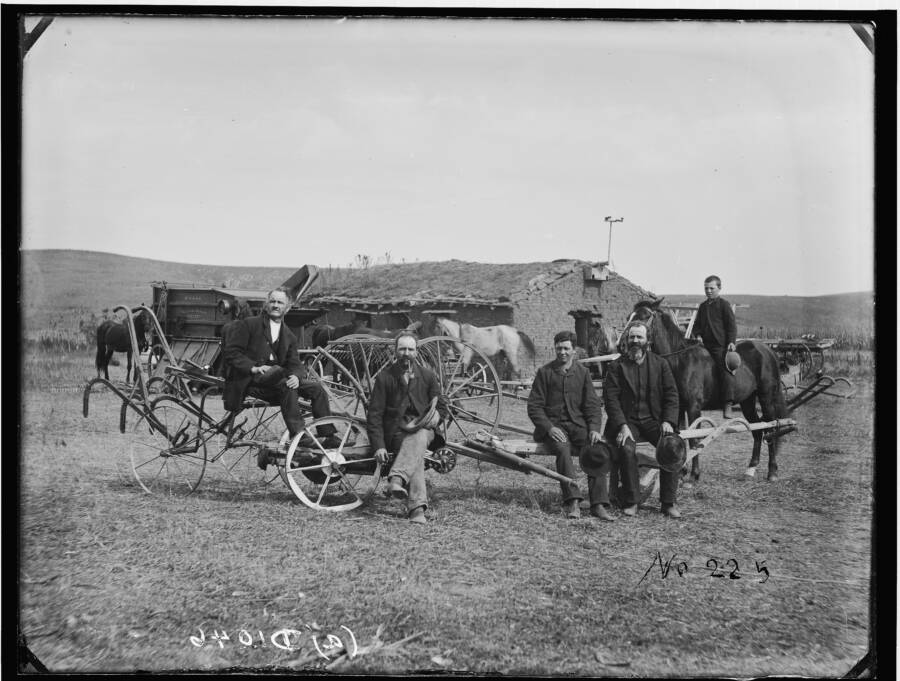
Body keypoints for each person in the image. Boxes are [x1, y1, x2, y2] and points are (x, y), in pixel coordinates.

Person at [223, 287, 338, 469]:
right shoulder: (249, 325)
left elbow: (295, 364)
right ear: (266, 304)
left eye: (280, 302)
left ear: (287, 307)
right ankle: (299, 434)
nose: (276, 305)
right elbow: (231, 353)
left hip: (275, 382)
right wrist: (253, 367)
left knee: (315, 388)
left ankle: (328, 434)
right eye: (273, 301)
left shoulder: (289, 335)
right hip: (251, 382)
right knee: (285, 384)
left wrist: (297, 377)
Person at [603, 321, 682, 519]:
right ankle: (632, 501)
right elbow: (611, 400)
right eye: (632, 337)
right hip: (627, 422)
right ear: (626, 340)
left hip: (654, 420)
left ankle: (668, 502)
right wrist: (622, 426)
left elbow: (672, 395)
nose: (635, 341)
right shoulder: (616, 367)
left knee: (672, 447)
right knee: (627, 450)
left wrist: (668, 421)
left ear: (648, 341)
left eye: (639, 337)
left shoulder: (661, 364)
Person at [368, 332, 449, 524]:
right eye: (402, 349)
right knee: (415, 452)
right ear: (395, 351)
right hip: (397, 432)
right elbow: (375, 414)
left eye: (410, 349)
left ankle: (396, 479)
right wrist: (379, 446)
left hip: (425, 429)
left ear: (416, 351)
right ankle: (417, 510)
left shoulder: (428, 376)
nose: (406, 353)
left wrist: (437, 417)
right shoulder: (385, 378)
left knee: (419, 436)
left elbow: (442, 406)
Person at [527, 330, 608, 521]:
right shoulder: (545, 372)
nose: (562, 352)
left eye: (566, 348)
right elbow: (534, 406)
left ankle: (598, 504)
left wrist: (594, 429)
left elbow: (592, 405)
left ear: (574, 350)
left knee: (596, 449)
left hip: (577, 426)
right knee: (563, 449)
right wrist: (549, 428)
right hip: (553, 428)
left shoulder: (582, 373)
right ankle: (573, 501)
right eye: (559, 348)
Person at [691, 275, 737, 418]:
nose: (709, 291)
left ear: (719, 288)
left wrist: (731, 342)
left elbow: (731, 326)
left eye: (712, 288)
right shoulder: (703, 307)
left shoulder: (724, 305)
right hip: (704, 345)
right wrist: (697, 334)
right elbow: (697, 325)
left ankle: (728, 403)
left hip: (719, 346)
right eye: (706, 288)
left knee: (725, 368)